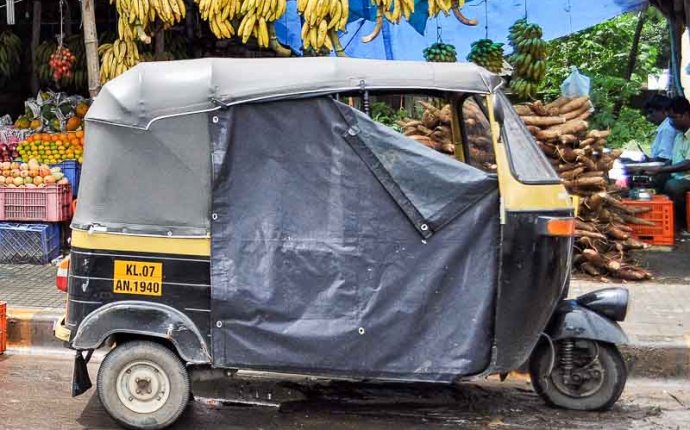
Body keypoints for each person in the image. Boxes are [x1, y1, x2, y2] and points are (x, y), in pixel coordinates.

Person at [647, 96, 690, 233]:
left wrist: (661, 169)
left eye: (674, 118)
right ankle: (661, 218)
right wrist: (656, 167)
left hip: (687, 177)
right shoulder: (679, 136)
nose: (671, 122)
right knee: (656, 181)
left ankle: (682, 222)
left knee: (672, 186)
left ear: (685, 115)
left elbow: (687, 164)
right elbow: (674, 160)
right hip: (680, 175)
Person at [644, 94, 678, 162]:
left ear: (663, 111)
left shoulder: (667, 128)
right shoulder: (665, 127)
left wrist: (646, 160)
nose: (648, 116)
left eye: (651, 112)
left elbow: (664, 158)